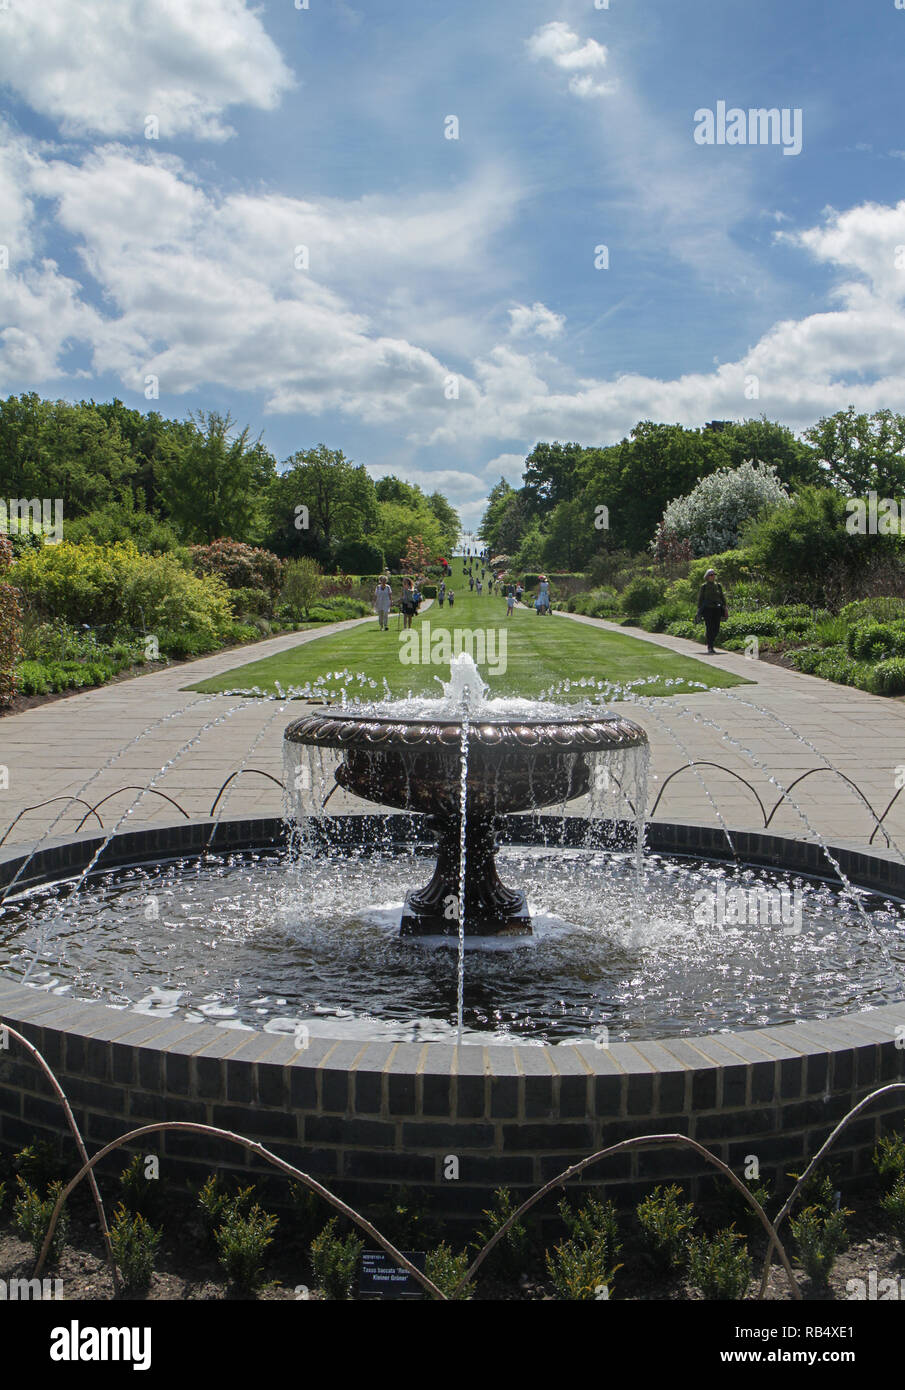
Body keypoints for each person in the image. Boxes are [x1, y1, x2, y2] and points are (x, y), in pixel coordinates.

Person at [696, 567, 727, 653]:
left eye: (714, 575)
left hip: (717, 608)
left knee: (716, 628)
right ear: (707, 576)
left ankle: (711, 641)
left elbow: (722, 596)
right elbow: (700, 598)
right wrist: (699, 610)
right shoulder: (704, 586)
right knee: (709, 627)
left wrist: (724, 606)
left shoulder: (718, 586)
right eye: (711, 575)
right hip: (707, 609)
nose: (713, 576)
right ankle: (710, 646)